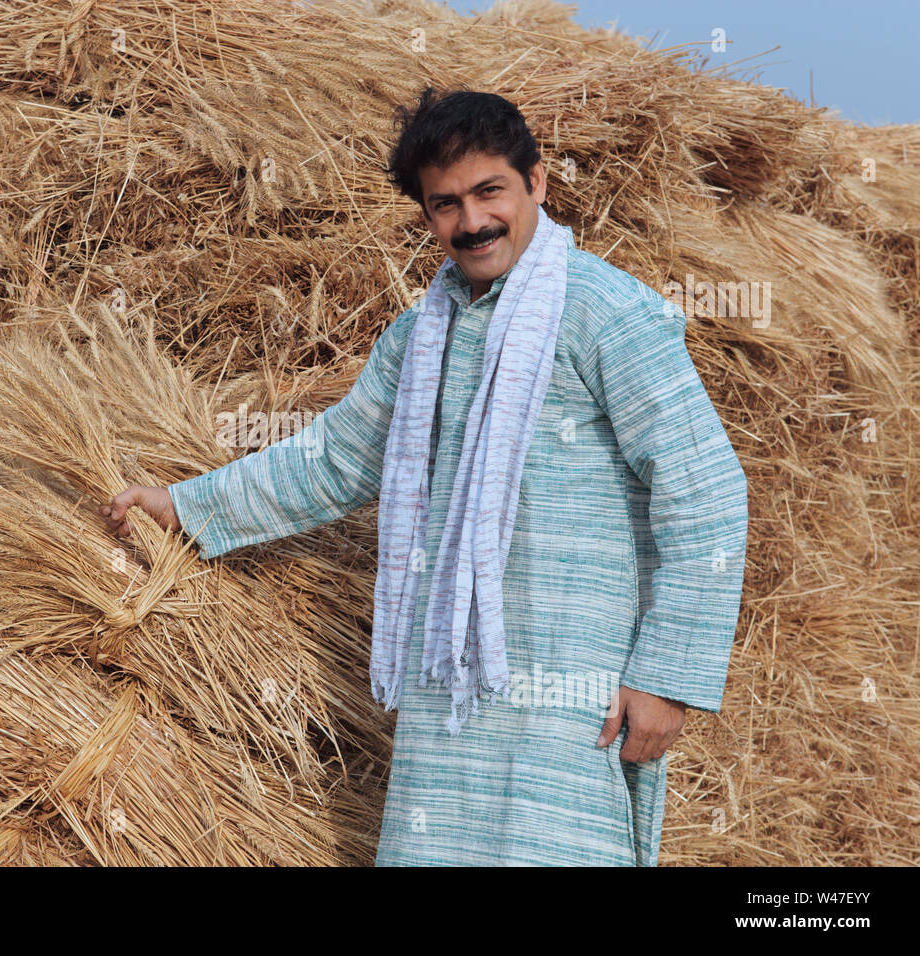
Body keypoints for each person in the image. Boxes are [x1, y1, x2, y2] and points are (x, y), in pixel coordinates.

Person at [100, 88, 748, 866]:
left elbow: (705, 490)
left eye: (489, 192)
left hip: (576, 695)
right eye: (445, 205)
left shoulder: (608, 314)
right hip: (449, 692)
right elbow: (338, 457)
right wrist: (185, 505)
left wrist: (667, 679)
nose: (471, 221)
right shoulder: (421, 337)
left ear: (535, 183)